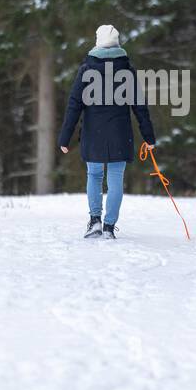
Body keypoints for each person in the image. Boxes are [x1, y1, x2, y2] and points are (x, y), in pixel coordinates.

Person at [57, 24, 156, 239]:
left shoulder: (86, 70)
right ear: (117, 43)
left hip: (94, 133)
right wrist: (148, 137)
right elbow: (140, 106)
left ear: (97, 42)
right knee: (115, 179)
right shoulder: (127, 71)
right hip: (120, 133)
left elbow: (74, 105)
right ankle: (109, 227)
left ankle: (95, 221)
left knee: (94, 175)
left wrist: (65, 137)